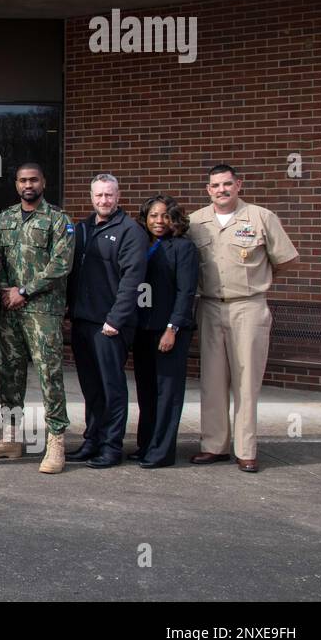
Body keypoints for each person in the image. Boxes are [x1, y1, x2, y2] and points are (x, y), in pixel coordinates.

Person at [188, 164, 299, 473]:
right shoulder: (196, 222)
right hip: (210, 306)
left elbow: (287, 259)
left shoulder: (261, 218)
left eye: (227, 184)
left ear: (239, 185)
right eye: (215, 185)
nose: (221, 190)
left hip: (248, 307)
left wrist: (257, 278)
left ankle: (246, 449)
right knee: (212, 379)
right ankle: (214, 445)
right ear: (208, 189)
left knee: (246, 380)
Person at [0, 162, 74, 474]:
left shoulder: (58, 219)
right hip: (10, 310)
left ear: (43, 182)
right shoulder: (6, 217)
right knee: (8, 373)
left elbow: (61, 264)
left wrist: (24, 290)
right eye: (23, 180)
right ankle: (11, 436)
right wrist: (5, 289)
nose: (28, 185)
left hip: (43, 311)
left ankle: (56, 440)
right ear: (16, 184)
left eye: (33, 180)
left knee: (49, 376)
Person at [67, 174, 148, 469]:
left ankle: (112, 446)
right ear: (91, 197)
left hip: (110, 325)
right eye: (99, 195)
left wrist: (115, 319)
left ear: (118, 196)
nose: (104, 200)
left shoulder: (130, 231)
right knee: (91, 387)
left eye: (109, 195)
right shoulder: (82, 229)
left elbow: (132, 281)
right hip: (83, 322)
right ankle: (92, 440)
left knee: (112, 387)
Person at [131, 194, 198, 468]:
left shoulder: (183, 248)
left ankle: (162, 452)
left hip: (169, 330)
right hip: (143, 328)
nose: (159, 221)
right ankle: (145, 444)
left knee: (167, 393)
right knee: (146, 390)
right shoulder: (142, 245)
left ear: (174, 219)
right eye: (153, 216)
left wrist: (172, 328)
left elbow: (186, 292)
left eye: (165, 216)